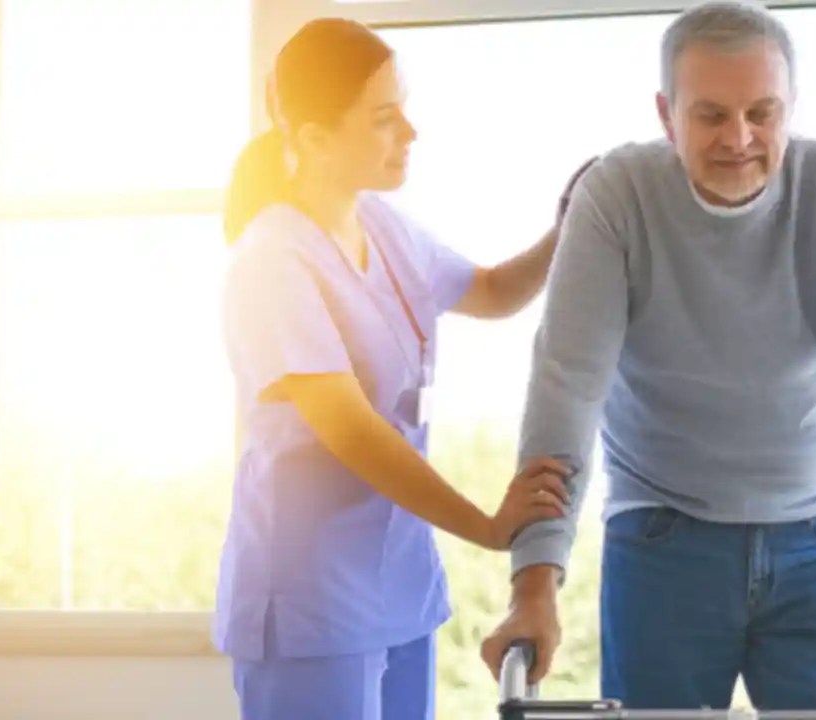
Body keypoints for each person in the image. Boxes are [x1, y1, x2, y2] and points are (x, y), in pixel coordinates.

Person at [481, 1, 816, 712]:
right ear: (667, 114)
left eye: (762, 112)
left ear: (791, 107)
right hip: (662, 537)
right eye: (711, 115)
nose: (740, 138)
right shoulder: (616, 198)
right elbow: (567, 390)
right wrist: (532, 585)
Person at [214, 18, 586, 720]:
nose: (409, 133)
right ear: (315, 139)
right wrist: (485, 524)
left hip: (398, 586)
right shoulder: (272, 261)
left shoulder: (383, 228)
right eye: (385, 119)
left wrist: (569, 225)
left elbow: (495, 291)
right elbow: (351, 432)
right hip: (310, 603)